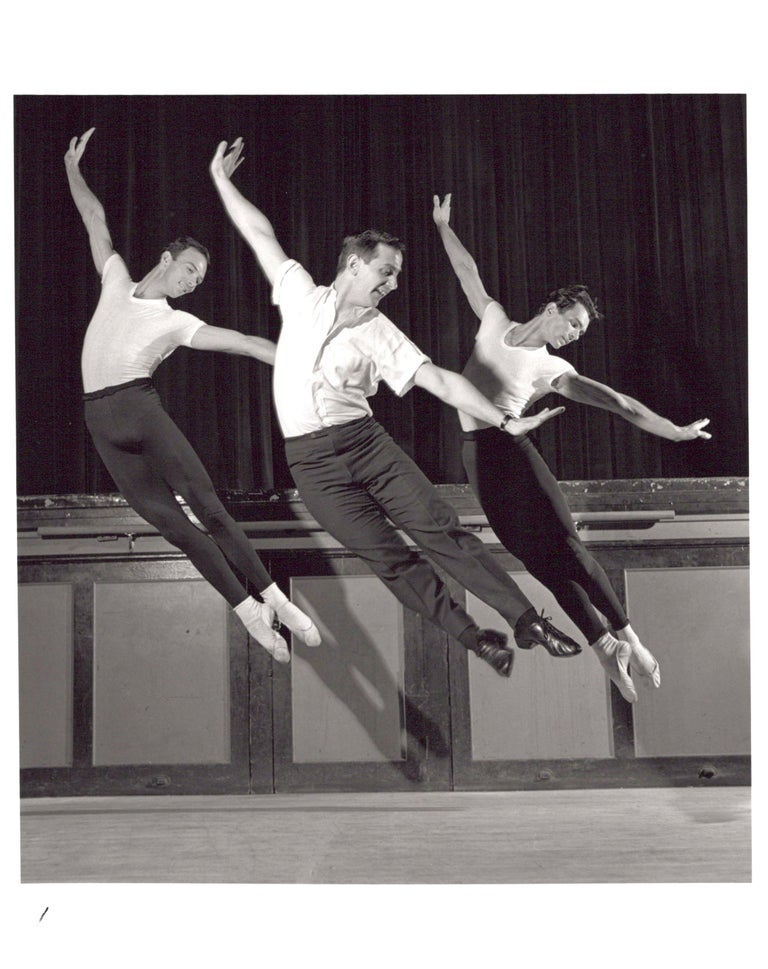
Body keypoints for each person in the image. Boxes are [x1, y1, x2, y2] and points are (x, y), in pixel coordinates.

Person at [209, 137, 584, 679]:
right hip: (311, 466)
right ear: (354, 265)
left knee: (440, 530)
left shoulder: (380, 332)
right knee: (387, 557)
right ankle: (475, 637)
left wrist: (505, 419)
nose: (393, 283)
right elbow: (260, 233)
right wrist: (222, 181)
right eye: (386, 271)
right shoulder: (299, 294)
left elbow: (440, 380)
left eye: (397, 274)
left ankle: (526, 620)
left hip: (365, 445)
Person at [432, 192, 713, 702]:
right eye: (574, 324)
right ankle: (605, 646)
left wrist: (674, 431)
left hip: (515, 454)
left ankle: (632, 641)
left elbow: (618, 403)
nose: (575, 336)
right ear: (551, 309)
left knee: (568, 548)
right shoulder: (494, 321)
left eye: (581, 332)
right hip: (478, 458)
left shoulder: (552, 368)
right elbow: (467, 271)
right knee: (539, 562)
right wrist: (442, 225)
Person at [64, 127, 321, 664]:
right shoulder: (115, 280)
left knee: (209, 509)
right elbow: (94, 218)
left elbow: (245, 342)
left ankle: (278, 600)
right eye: (189, 270)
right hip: (99, 423)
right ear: (166, 259)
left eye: (200, 279)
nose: (193, 282)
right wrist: (71, 168)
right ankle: (250, 613)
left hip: (138, 408)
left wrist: (307, 363)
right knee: (174, 527)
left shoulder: (176, 322)